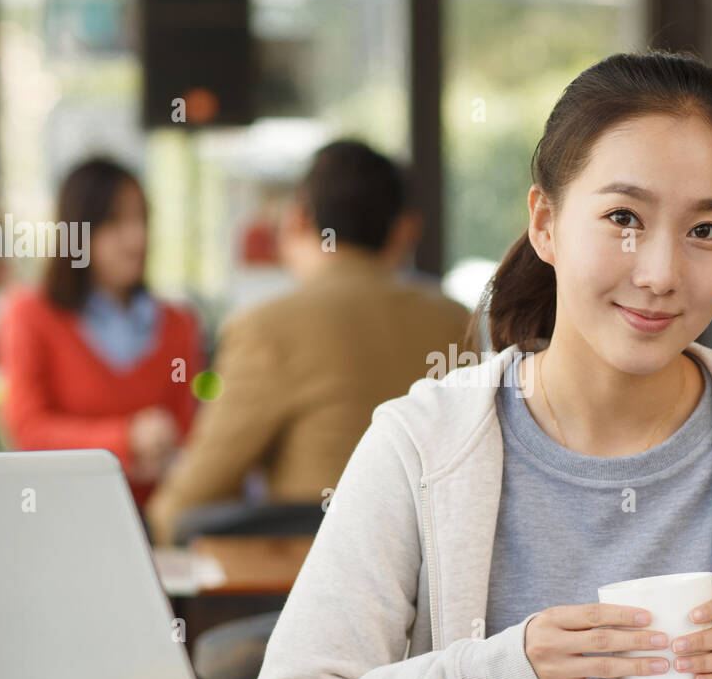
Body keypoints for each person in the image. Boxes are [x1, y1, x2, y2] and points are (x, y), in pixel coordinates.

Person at [242, 50, 712, 679]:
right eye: (624, 217)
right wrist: (501, 670)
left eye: (706, 231)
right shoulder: (419, 443)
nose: (660, 273)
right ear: (545, 223)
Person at [144, 139, 474, 546]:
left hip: (309, 586)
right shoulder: (456, 320)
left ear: (298, 218)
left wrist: (152, 525)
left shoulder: (268, 327)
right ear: (400, 230)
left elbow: (198, 490)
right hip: (439, 580)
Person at [0, 157, 203, 512]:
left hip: (157, 527)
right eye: (115, 221)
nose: (137, 238)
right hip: (58, 517)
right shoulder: (29, 315)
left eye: (142, 219)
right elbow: (28, 432)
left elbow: (185, 437)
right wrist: (127, 438)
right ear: (77, 230)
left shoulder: (179, 324)